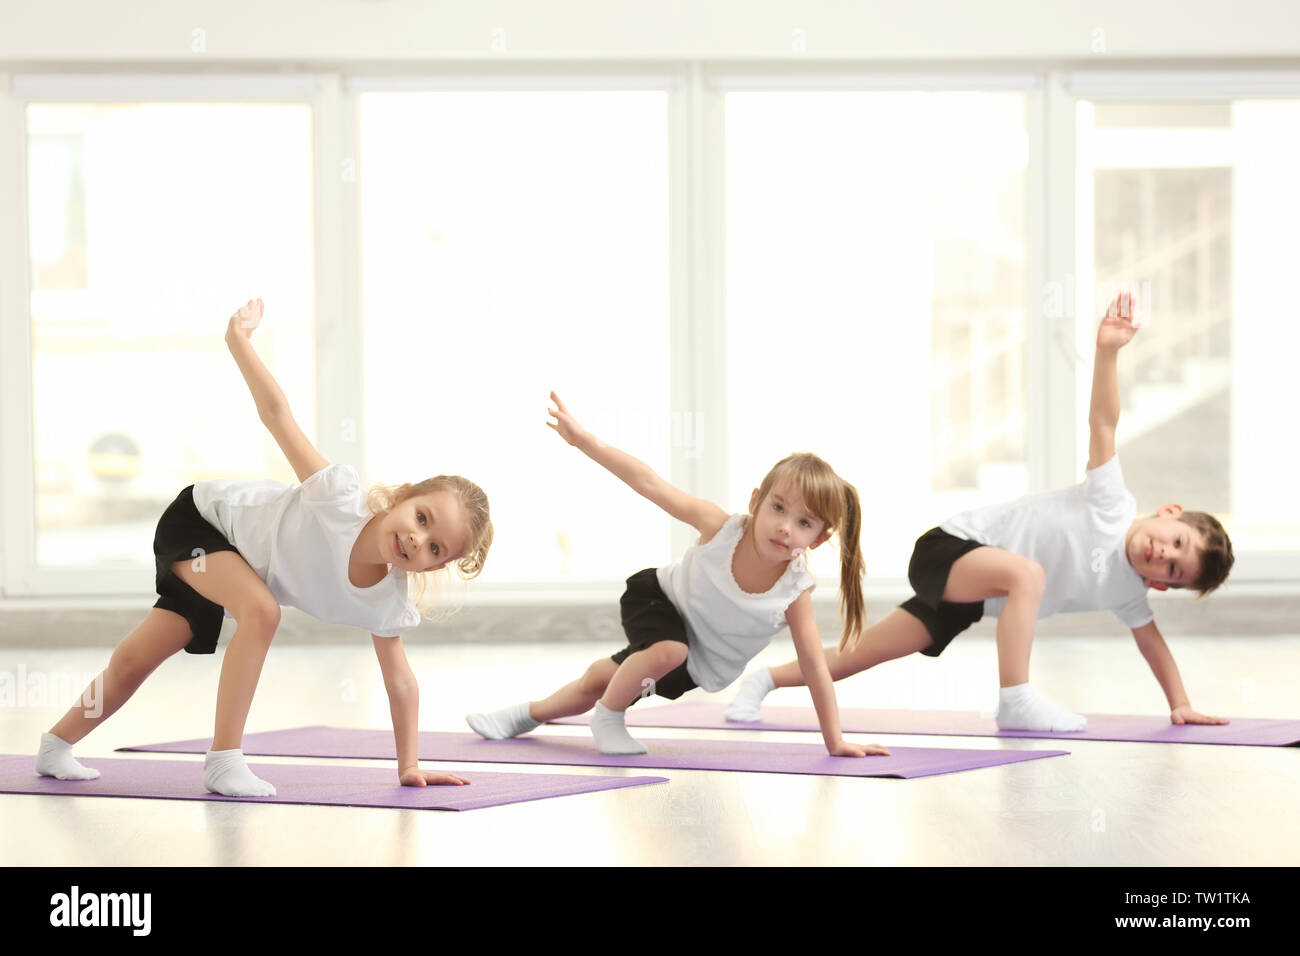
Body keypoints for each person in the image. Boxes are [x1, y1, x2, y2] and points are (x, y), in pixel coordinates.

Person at [36, 298, 493, 795]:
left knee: (134, 661)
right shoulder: (337, 497)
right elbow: (277, 414)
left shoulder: (387, 602)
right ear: (403, 497)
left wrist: (409, 765)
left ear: (436, 565)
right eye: (421, 518)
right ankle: (223, 759)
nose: (416, 539)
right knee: (261, 609)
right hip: (201, 521)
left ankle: (55, 744)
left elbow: (401, 682)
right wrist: (239, 341)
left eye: (434, 548)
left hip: (235, 567)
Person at [728, 292, 1234, 732]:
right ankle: (1015, 700)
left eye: (1173, 568)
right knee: (1027, 573)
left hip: (972, 597)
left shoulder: (1128, 593)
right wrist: (1106, 352)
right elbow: (1103, 421)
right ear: (1170, 512)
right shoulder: (1111, 501)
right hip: (948, 550)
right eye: (1176, 541)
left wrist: (1181, 704)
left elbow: (1153, 645)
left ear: (1162, 585)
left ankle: (761, 682)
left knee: (861, 654)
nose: (1163, 553)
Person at [466, 391, 889, 757]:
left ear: (818, 538)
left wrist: (835, 742)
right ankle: (609, 720)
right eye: (779, 508)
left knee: (601, 680)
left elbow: (815, 665)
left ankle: (524, 715)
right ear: (757, 500)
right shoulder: (721, 528)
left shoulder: (793, 592)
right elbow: (650, 483)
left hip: (692, 665)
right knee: (667, 650)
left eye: (804, 522)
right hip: (658, 601)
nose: (784, 527)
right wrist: (585, 442)